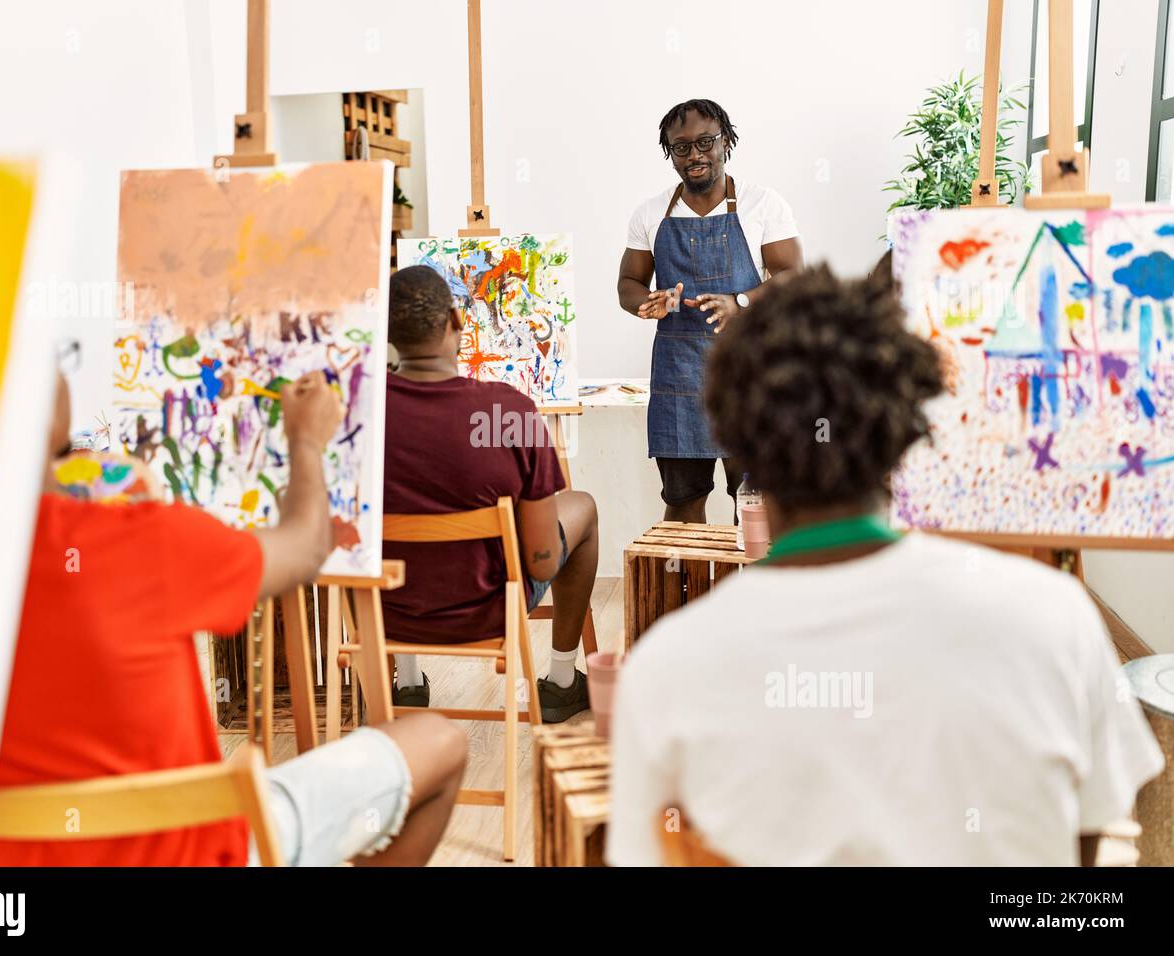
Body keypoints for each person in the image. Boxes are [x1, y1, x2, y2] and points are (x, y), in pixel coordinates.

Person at [608, 265, 1164, 866]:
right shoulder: (1055, 618)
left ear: (731, 434)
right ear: (902, 427)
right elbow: (1077, 860)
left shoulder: (667, 671)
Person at [0, 369, 467, 867]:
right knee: (439, 742)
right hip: (193, 855)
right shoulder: (133, 538)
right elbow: (306, 546)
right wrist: (305, 441)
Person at [382, 265, 599, 723]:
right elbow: (540, 562)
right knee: (584, 508)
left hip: (384, 612)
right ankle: (562, 682)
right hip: (487, 611)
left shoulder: (356, 414)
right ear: (458, 322)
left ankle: (404, 682)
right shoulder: (508, 411)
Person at [617, 98, 804, 523]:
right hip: (679, 377)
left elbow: (793, 276)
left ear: (726, 142)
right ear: (669, 153)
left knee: (756, 504)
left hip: (751, 377)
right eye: (681, 147)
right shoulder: (650, 213)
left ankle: (753, 592)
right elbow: (628, 284)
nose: (695, 155)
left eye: (705, 142)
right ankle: (691, 591)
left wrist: (741, 302)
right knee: (683, 502)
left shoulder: (763, 204)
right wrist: (649, 303)